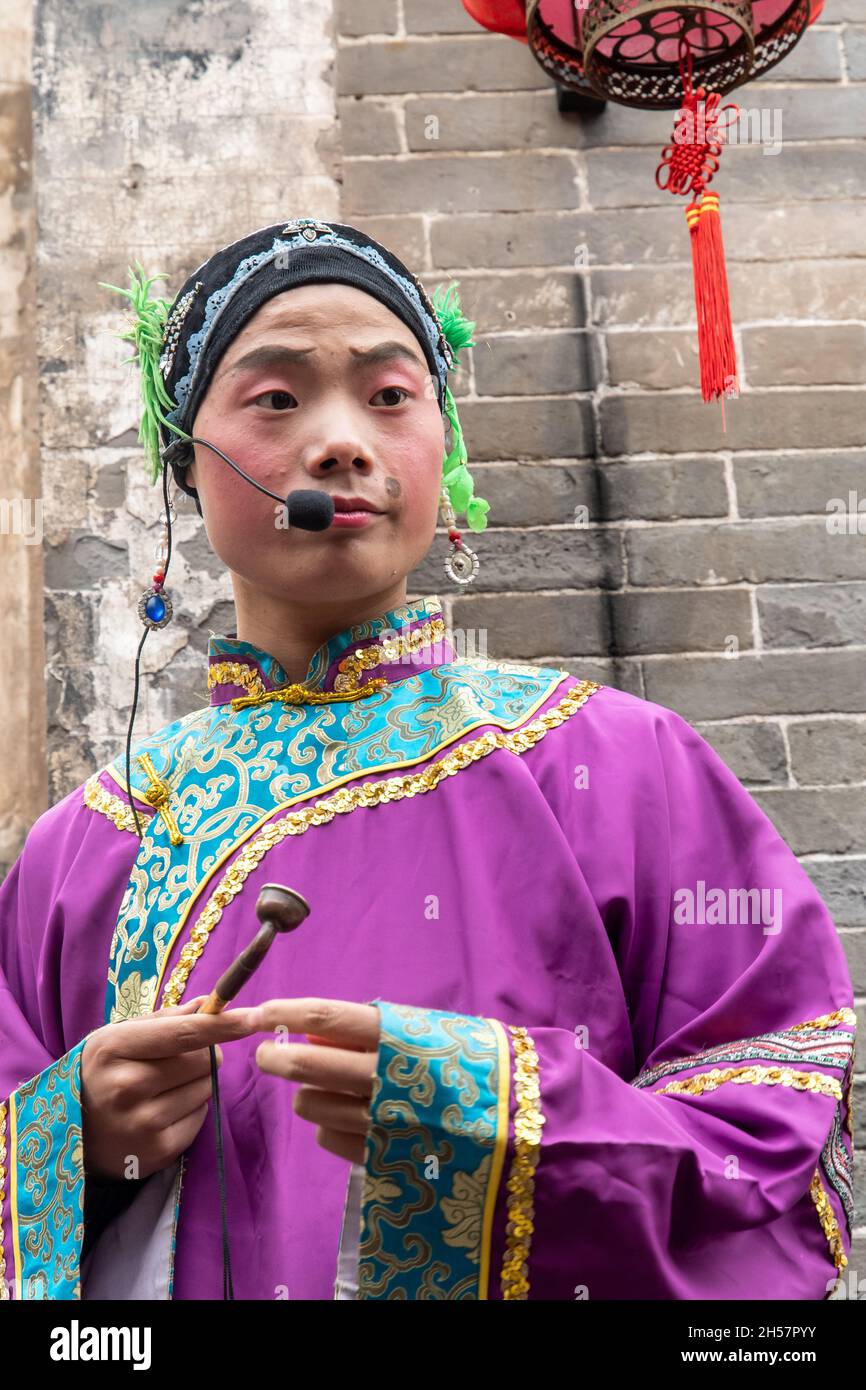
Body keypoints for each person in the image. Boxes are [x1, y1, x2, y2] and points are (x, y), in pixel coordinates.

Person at [0, 219, 854, 1302]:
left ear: (440, 450)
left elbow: (778, 1108)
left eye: (390, 396)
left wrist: (508, 1120)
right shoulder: (80, 846)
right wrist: (75, 1142)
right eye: (274, 399)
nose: (340, 441)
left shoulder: (617, 764)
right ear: (186, 457)